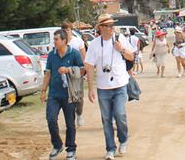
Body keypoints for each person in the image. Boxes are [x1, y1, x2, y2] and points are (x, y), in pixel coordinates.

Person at [84, 14, 135, 160]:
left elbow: (131, 57)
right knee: (106, 119)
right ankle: (110, 149)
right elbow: (89, 66)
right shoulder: (94, 44)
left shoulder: (120, 39)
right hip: (103, 87)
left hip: (120, 84)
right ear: (100, 28)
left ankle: (123, 139)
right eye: (108, 25)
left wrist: (121, 50)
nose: (111, 28)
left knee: (120, 115)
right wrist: (91, 89)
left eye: (112, 25)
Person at [41, 29, 83, 160]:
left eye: (56, 39)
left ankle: (71, 149)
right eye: (54, 40)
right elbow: (48, 73)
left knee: (70, 123)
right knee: (51, 119)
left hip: (69, 94)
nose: (54, 42)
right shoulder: (51, 55)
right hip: (54, 94)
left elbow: (82, 70)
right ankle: (57, 145)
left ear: (64, 41)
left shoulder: (74, 54)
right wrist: (43, 91)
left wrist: (69, 70)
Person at [62, 21, 87, 127]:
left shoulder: (78, 41)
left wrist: (84, 71)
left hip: (77, 72)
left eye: (68, 29)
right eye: (64, 30)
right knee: (67, 96)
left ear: (71, 30)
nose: (66, 32)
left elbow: (84, 57)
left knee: (78, 96)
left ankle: (79, 114)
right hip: (65, 73)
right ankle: (70, 119)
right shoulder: (61, 42)